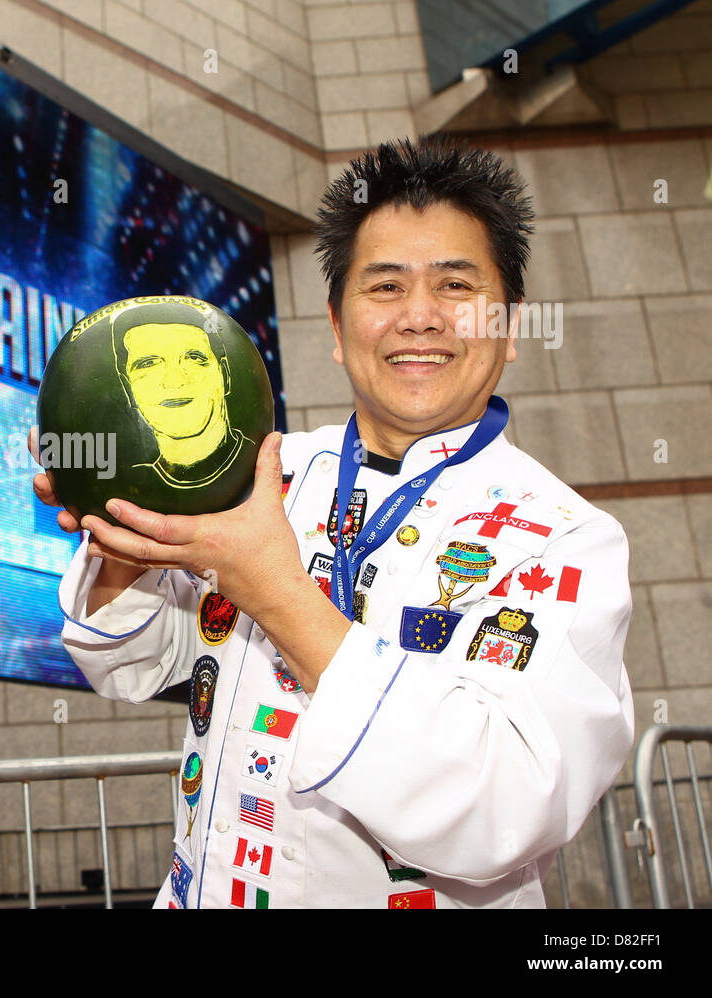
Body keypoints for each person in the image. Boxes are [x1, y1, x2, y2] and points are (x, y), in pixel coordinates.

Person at [32, 135, 634, 908]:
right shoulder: (256, 474)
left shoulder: (563, 536)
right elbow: (132, 664)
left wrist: (276, 592)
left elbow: (504, 809)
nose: (420, 317)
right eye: (384, 287)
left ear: (510, 326)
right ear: (337, 326)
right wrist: (119, 534)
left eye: (455, 286)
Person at [109, 300, 252, 489]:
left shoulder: (266, 463)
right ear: (128, 388)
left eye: (193, 358)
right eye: (149, 364)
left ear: (224, 375)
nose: (174, 381)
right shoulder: (123, 489)